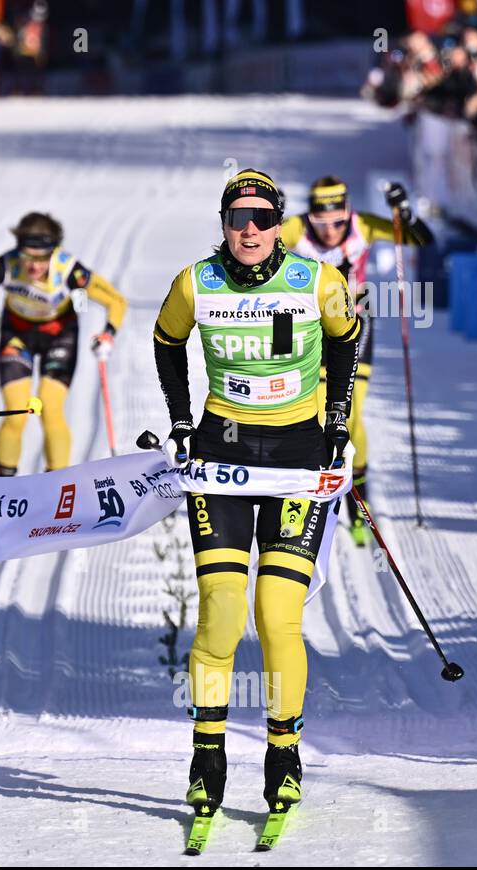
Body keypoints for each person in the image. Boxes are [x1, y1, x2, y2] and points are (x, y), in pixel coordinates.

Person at [151, 169, 360, 820]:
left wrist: (336, 422)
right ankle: (207, 754)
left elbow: (347, 343)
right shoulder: (195, 282)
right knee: (219, 608)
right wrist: (182, 422)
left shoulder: (317, 281)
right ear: (222, 223)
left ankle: (283, 754)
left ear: (279, 225)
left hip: (296, 461)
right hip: (222, 457)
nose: (249, 230)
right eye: (237, 217)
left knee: (277, 614)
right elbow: (166, 343)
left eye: (262, 219)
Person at [281, 177, 433, 544]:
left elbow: (419, 239)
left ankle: (357, 498)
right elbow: (251, 243)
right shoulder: (295, 228)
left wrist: (405, 213)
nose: (331, 232)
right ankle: (308, 491)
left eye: (337, 223)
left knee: (350, 412)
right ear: (310, 218)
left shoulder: (363, 224)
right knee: (311, 409)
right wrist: (272, 214)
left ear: (347, 214)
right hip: (306, 324)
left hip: (353, 321)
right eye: (322, 225)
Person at [0, 212, 127, 475]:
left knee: (50, 405)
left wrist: (108, 335)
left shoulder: (68, 269)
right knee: (16, 411)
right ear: (18, 249)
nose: (34, 267)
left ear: (54, 251)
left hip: (60, 334)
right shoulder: (6, 265)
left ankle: (56, 483)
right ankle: (4, 487)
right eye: (28, 256)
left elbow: (116, 301)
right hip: (18, 334)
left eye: (42, 258)